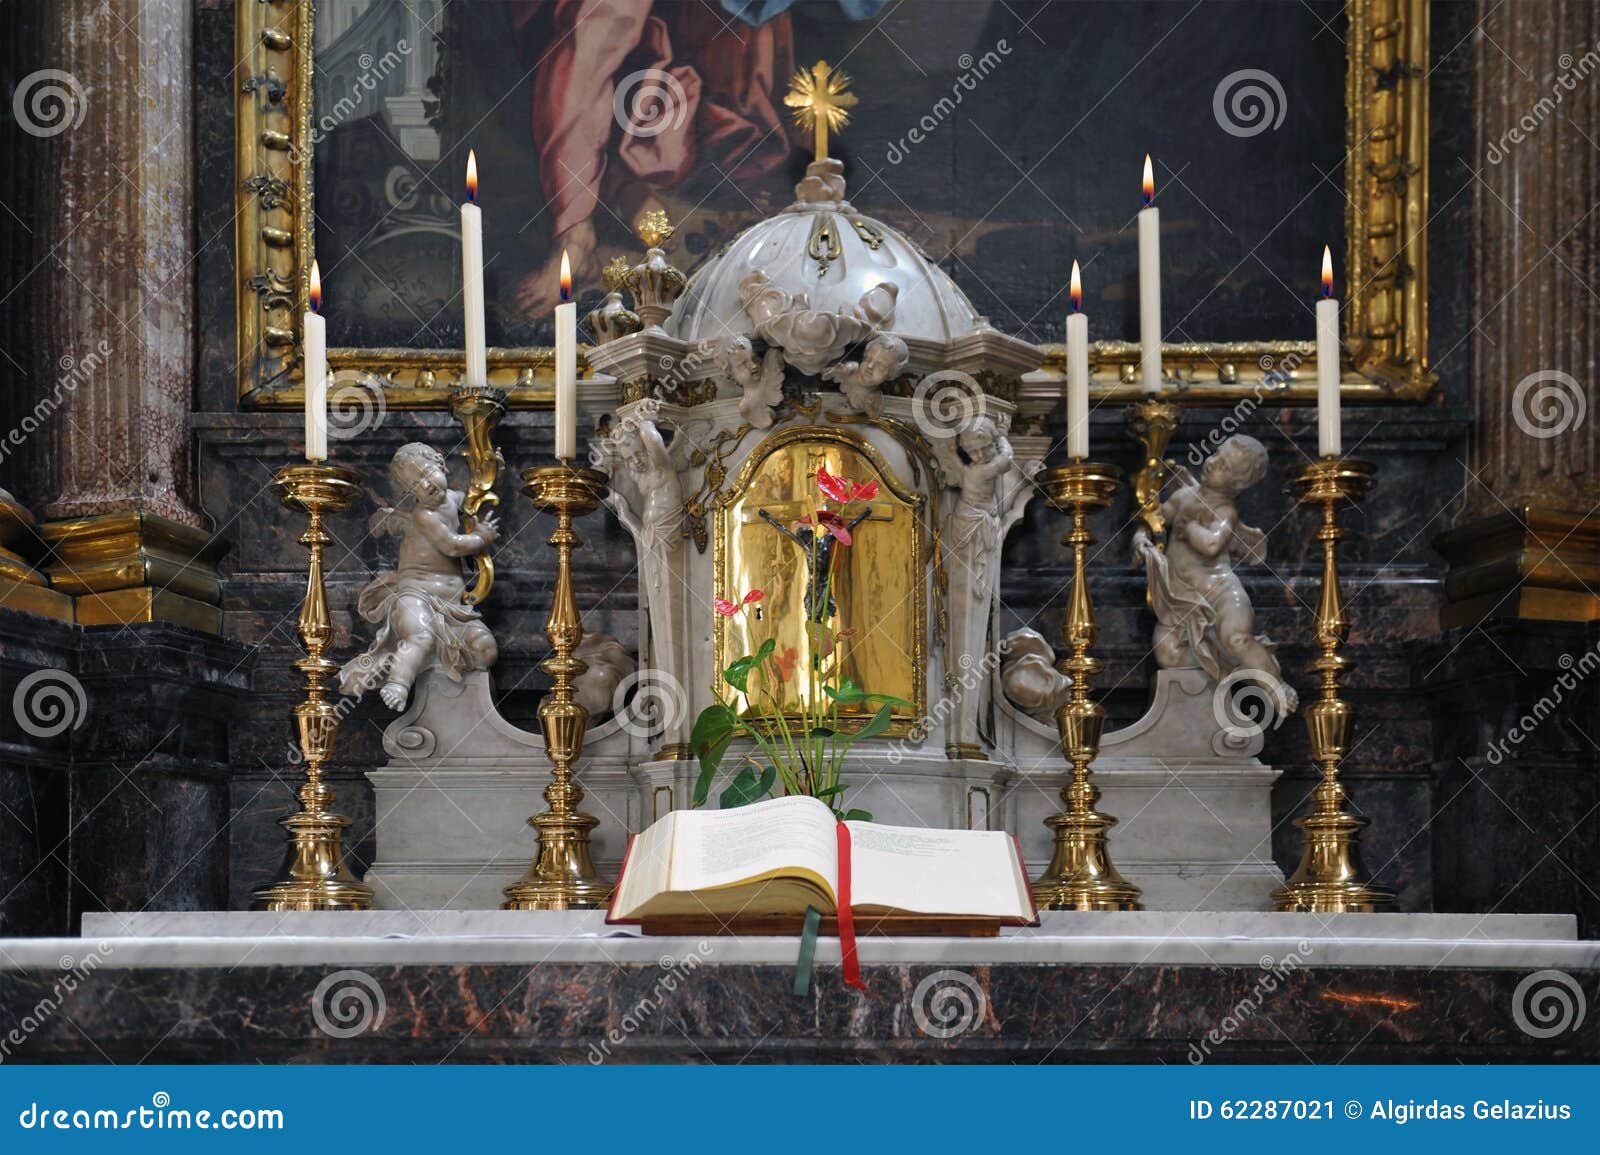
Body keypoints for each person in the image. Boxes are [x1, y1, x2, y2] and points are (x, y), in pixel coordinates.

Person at [339, 443, 500, 711]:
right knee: (421, 636)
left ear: (442, 465)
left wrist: (494, 467)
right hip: (415, 596)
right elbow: (452, 546)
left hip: (454, 608)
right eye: (415, 485)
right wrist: (481, 538)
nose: (426, 485)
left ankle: (441, 674)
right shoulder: (423, 515)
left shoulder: (456, 498)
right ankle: (399, 684)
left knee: (486, 651)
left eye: (428, 473)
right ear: (409, 493)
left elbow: (478, 493)